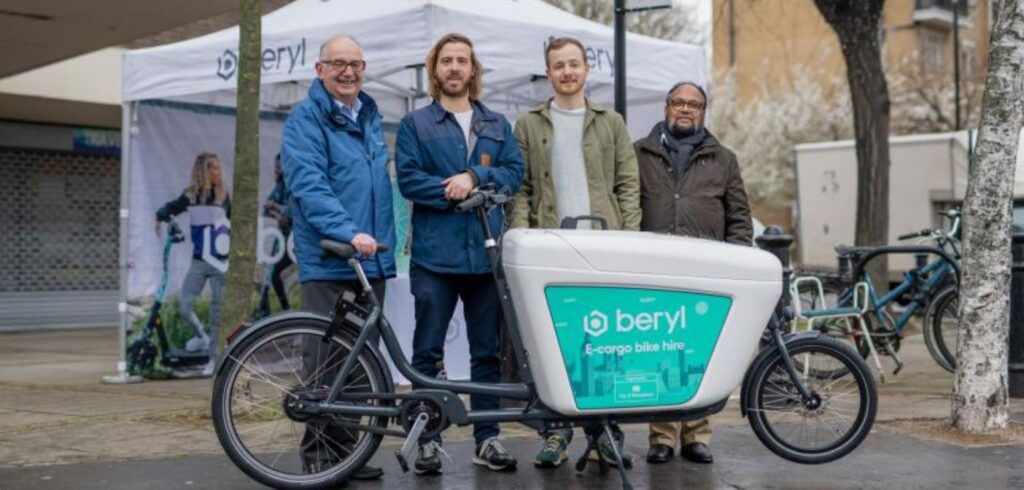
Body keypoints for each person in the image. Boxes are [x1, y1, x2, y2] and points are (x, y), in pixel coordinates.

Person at [395, 32, 524, 476]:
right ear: (435, 70)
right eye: (446, 60)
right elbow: (408, 180)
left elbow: (513, 173)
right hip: (435, 256)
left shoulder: (496, 124)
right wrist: (453, 189)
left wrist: (473, 175)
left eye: (462, 60)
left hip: (485, 257)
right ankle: (427, 441)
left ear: (473, 70)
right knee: (427, 351)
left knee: (486, 354)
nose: (454, 68)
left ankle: (487, 439)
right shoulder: (416, 125)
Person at [509, 36, 641, 469]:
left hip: (603, 248)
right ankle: (556, 433)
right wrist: (522, 241)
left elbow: (627, 185)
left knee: (604, 343)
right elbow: (522, 189)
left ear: (586, 70)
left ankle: (605, 432)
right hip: (550, 249)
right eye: (558, 66)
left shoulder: (612, 122)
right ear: (548, 74)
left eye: (573, 65)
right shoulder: (528, 124)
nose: (566, 73)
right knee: (553, 343)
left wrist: (628, 240)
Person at [280, 34, 396, 482]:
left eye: (356, 64)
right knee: (326, 360)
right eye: (338, 63)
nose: (348, 72)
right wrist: (349, 233)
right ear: (319, 69)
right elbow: (309, 186)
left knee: (362, 363)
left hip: (371, 260)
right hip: (333, 257)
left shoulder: (367, 114)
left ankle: (347, 456)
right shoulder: (306, 119)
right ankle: (320, 456)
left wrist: (381, 242)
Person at [634, 81, 753, 465]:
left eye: (694, 104)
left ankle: (697, 436)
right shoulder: (640, 153)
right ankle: (663, 437)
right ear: (666, 107)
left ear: (703, 111)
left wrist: (738, 263)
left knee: (700, 353)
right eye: (678, 103)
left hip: (706, 271)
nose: (685, 109)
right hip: (656, 268)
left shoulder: (724, 158)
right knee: (662, 353)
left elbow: (739, 217)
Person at [154, 152, 230, 373]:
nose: (218, 171)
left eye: (218, 167)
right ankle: (201, 337)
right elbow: (169, 208)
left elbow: (233, 227)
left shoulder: (224, 195)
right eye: (213, 168)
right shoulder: (190, 195)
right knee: (185, 306)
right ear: (203, 171)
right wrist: (159, 219)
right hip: (198, 261)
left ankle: (212, 359)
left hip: (220, 263)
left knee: (217, 313)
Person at [255, 154, 294, 318]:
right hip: (281, 237)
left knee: (275, 272)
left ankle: (287, 310)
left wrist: (276, 207)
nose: (275, 170)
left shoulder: (293, 185)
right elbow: (267, 208)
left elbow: (290, 212)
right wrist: (278, 214)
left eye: (278, 167)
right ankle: (274, 309)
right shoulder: (280, 185)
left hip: (295, 240)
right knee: (272, 273)